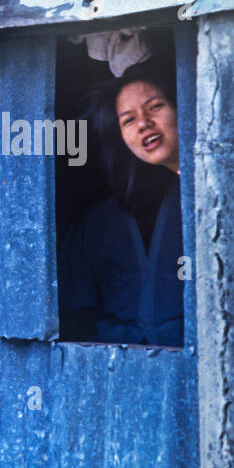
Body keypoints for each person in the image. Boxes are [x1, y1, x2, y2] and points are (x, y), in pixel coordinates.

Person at [59, 64, 183, 346]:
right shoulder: (102, 221)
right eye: (128, 120)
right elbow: (73, 305)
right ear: (121, 138)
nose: (143, 124)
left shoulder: (211, 192)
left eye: (155, 107)